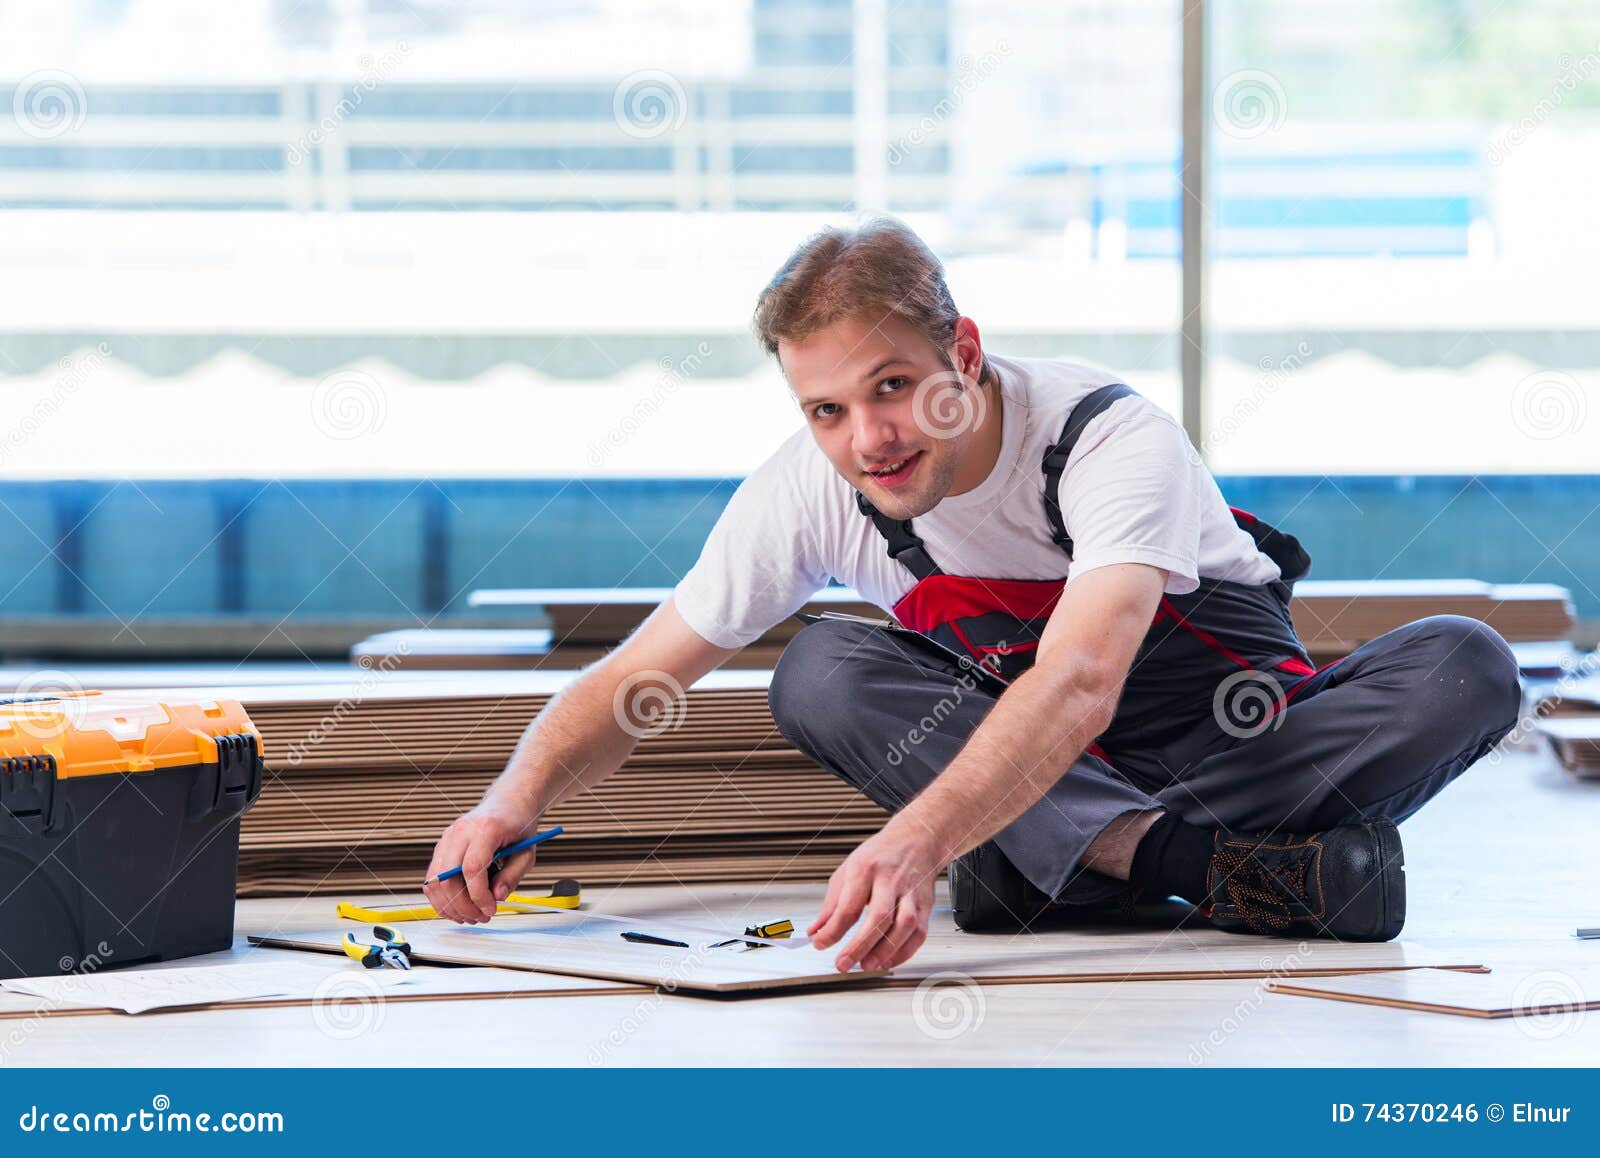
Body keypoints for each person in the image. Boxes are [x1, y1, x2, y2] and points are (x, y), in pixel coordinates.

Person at [424, 218, 1521, 974]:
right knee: (820, 669)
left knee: (1465, 665)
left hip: (1236, 742)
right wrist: (505, 806)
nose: (868, 440)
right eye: (825, 410)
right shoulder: (815, 488)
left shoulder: (1103, 435)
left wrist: (920, 841)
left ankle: (1071, 867)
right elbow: (636, 677)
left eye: (892, 387)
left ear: (963, 350)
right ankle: (1205, 871)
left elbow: (1083, 681)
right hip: (1037, 775)